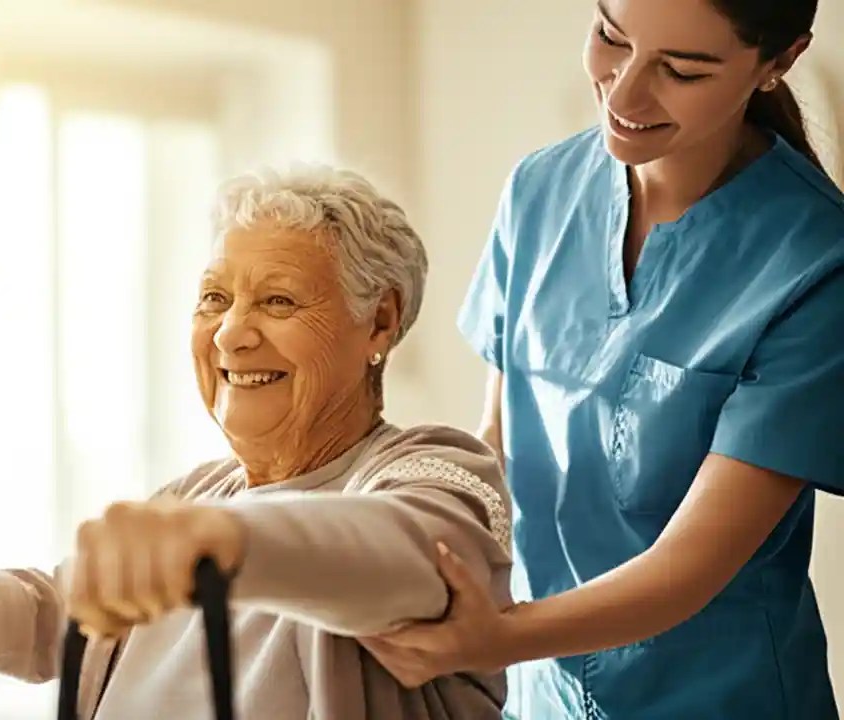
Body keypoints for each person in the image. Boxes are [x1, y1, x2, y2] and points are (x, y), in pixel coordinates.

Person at [0, 165, 515, 718]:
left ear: (379, 323)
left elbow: (400, 558)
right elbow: (60, 617)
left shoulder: (432, 472)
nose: (230, 332)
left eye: (277, 300)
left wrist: (212, 542)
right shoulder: (198, 493)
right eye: (214, 298)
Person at [359, 0, 843, 718]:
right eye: (611, 37)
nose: (622, 93)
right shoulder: (538, 193)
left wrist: (494, 637)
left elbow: (690, 569)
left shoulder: (816, 264)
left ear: (779, 61)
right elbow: (498, 451)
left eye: (681, 70)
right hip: (540, 693)